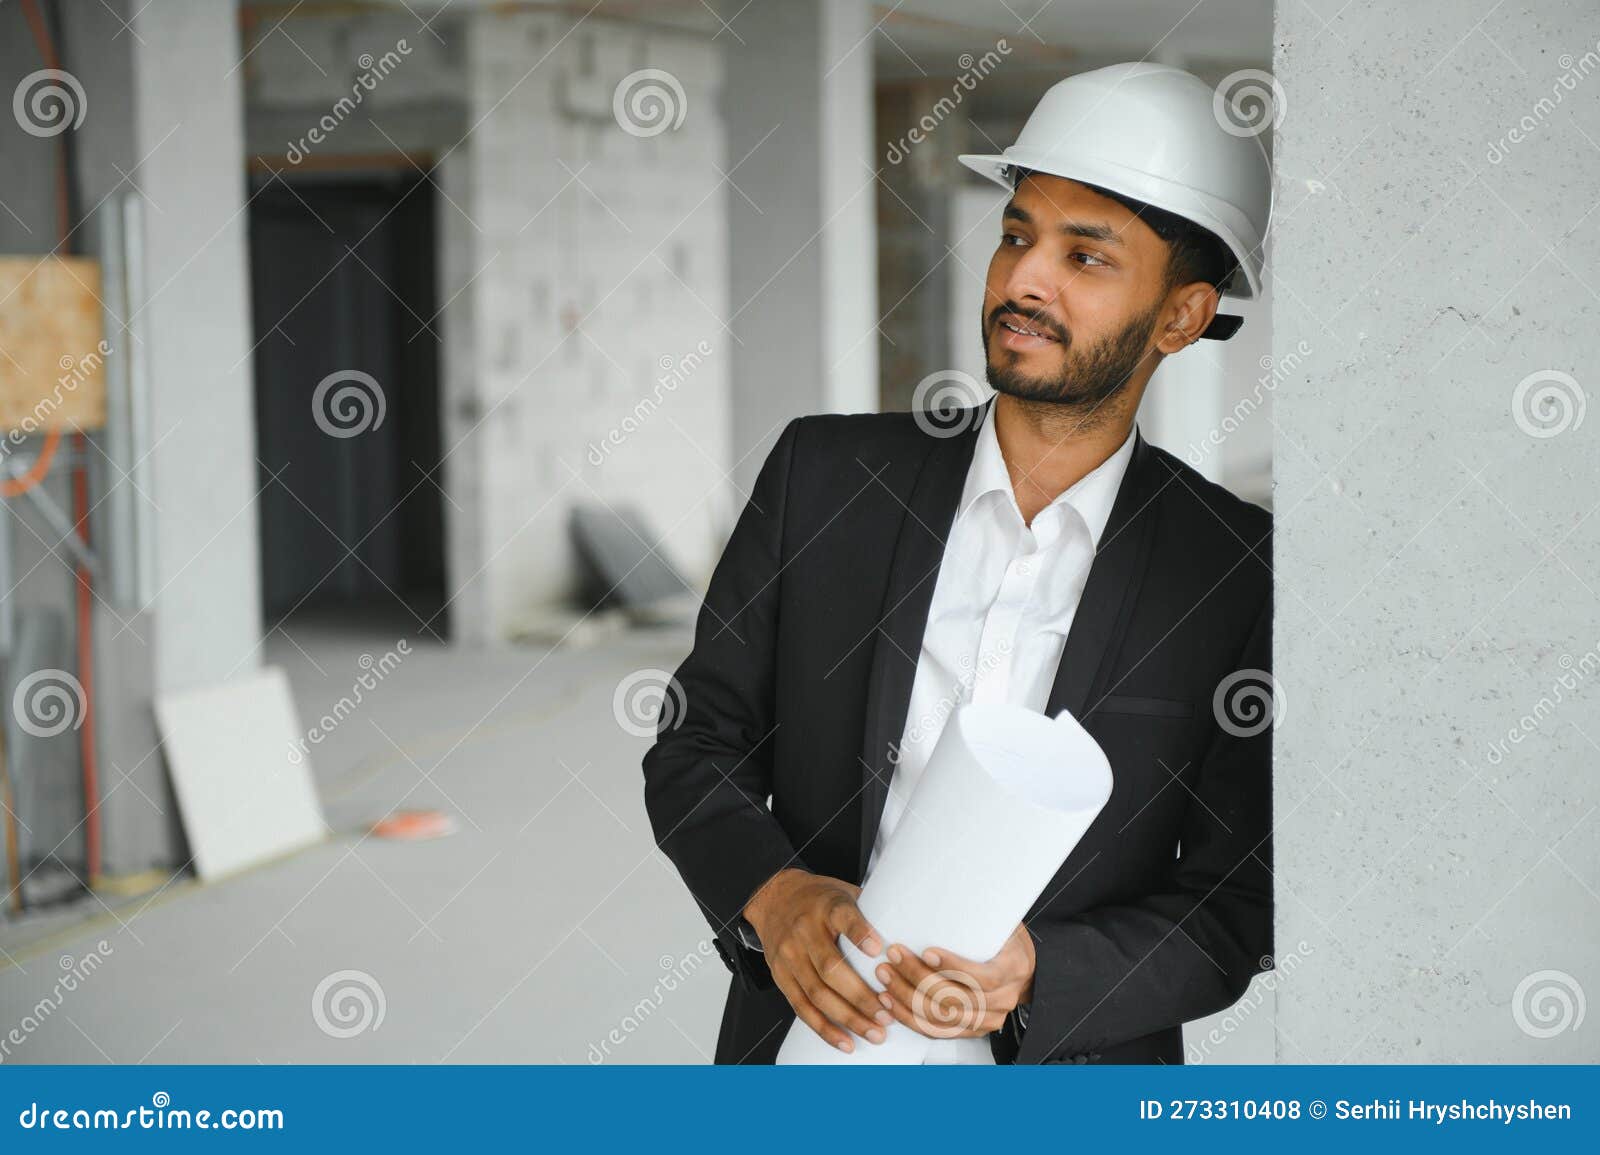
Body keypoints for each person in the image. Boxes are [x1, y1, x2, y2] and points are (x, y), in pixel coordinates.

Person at [642, 61, 1275, 1065]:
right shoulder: (825, 479)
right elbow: (693, 742)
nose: (1025, 278)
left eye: (1086, 257)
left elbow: (1238, 903)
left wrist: (1041, 970)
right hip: (806, 1053)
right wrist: (775, 894)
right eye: (1017, 234)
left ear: (1180, 317)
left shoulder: (1233, 571)